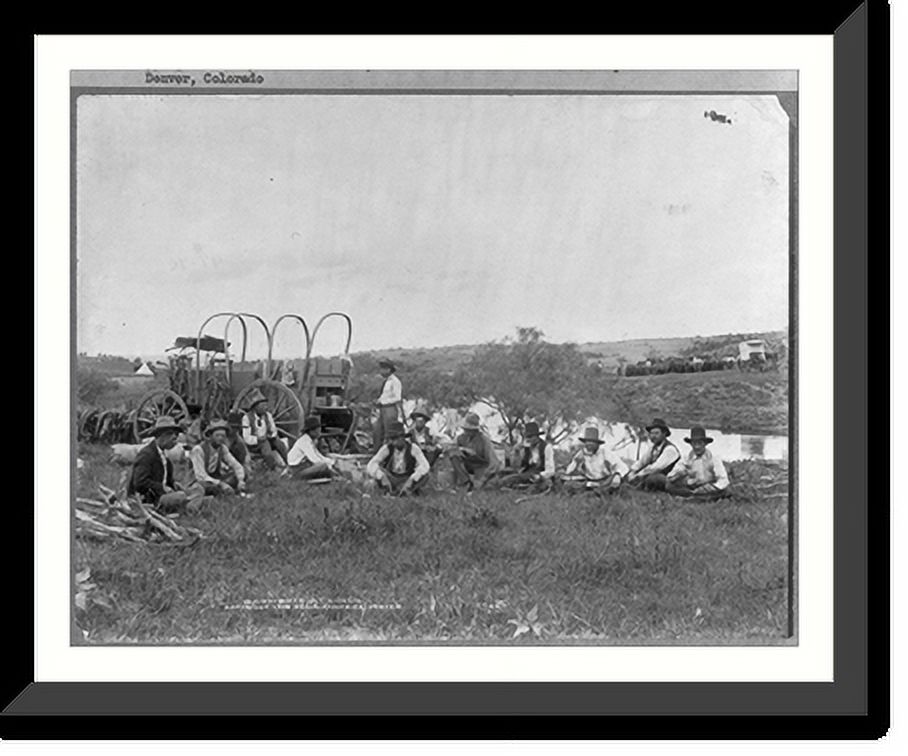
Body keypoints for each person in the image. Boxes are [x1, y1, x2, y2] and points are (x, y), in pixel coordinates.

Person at [126, 416, 189, 512]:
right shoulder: (146, 455)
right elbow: (140, 483)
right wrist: (162, 488)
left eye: (176, 434)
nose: (174, 437)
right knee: (181, 497)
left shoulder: (165, 459)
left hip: (162, 495)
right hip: (149, 500)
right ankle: (188, 506)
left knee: (197, 489)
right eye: (169, 434)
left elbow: (166, 481)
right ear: (159, 436)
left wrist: (174, 485)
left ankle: (187, 504)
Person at [186, 419, 247, 506]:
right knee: (211, 487)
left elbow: (235, 464)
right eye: (217, 435)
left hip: (214, 478)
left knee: (239, 476)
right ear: (210, 436)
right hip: (198, 482)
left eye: (223, 436)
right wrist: (221, 484)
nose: (220, 438)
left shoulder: (222, 448)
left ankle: (232, 491)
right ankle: (209, 498)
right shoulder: (198, 450)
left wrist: (241, 480)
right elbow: (200, 476)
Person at [365, 420, 430, 496]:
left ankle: (407, 491)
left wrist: (412, 479)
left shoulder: (413, 448)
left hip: (407, 477)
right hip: (391, 478)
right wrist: (381, 476)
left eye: (395, 438)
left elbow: (425, 466)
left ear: (402, 437)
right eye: (392, 439)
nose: (393, 442)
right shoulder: (387, 448)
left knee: (426, 475)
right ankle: (388, 490)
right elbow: (372, 464)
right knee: (371, 479)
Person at [666, 426, 730, 499]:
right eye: (694, 443)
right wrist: (681, 475)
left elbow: (724, 480)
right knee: (669, 486)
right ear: (691, 444)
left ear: (705, 444)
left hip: (709, 488)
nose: (697, 447)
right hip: (691, 487)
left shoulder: (713, 458)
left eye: (700, 443)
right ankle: (693, 496)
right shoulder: (686, 458)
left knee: (723, 490)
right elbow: (671, 476)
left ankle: (692, 498)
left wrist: (710, 487)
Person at [562, 426, 628, 494]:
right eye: (587, 442)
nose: (589, 444)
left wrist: (617, 475)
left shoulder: (605, 453)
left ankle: (599, 492)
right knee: (568, 485)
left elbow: (623, 467)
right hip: (589, 481)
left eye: (592, 442)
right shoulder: (581, 453)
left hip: (605, 480)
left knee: (612, 486)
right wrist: (571, 469)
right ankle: (592, 492)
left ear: (597, 444)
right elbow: (571, 468)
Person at [447, 412, 500, 491]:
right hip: (466, 465)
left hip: (481, 466)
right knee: (453, 454)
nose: (466, 432)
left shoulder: (484, 440)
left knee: (483, 487)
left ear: (475, 430)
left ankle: (477, 482)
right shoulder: (460, 438)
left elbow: (494, 463)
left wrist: (483, 479)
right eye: (465, 429)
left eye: (469, 430)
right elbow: (450, 448)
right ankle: (465, 482)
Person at [495, 422, 555, 490]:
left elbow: (551, 470)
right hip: (526, 473)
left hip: (538, 475)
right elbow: (517, 466)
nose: (528, 439)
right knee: (502, 475)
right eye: (527, 437)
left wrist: (539, 476)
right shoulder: (526, 448)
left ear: (536, 436)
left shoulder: (547, 447)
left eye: (530, 436)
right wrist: (516, 453)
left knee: (506, 481)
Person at [627, 417, 682, 491]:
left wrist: (638, 475)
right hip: (654, 475)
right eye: (651, 433)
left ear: (664, 434)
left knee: (654, 478)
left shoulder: (670, 450)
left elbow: (656, 467)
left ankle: (640, 487)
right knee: (630, 476)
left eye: (656, 433)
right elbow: (642, 462)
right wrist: (632, 471)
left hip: (670, 480)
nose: (653, 436)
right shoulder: (653, 448)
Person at [241, 388, 288, 470]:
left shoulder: (268, 415)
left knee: (280, 444)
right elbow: (246, 438)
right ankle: (273, 467)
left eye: (265, 405)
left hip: (268, 439)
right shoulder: (247, 418)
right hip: (255, 444)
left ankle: (289, 463)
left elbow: (274, 429)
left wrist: (272, 435)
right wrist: (258, 439)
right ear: (255, 407)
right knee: (265, 445)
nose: (265, 407)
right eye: (262, 406)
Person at [286, 416, 338, 481]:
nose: (319, 433)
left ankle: (336, 476)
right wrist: (329, 465)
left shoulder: (310, 441)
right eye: (317, 431)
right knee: (323, 466)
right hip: (296, 471)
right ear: (311, 431)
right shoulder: (304, 441)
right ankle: (336, 477)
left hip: (303, 468)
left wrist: (332, 462)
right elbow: (314, 460)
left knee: (326, 465)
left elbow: (318, 455)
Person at [372, 358, 403, 453]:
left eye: (383, 369)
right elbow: (384, 395)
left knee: (389, 432)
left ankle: (389, 453)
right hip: (383, 409)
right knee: (378, 431)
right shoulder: (386, 381)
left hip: (390, 409)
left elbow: (397, 398)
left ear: (389, 369)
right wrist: (379, 401)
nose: (381, 371)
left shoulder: (395, 381)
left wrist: (384, 402)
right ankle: (378, 452)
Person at [408, 403, 441, 467]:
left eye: (422, 420)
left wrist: (431, 446)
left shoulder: (429, 431)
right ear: (415, 421)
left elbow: (435, 442)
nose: (420, 422)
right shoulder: (410, 432)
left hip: (427, 455)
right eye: (418, 420)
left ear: (425, 421)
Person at [227, 410, 252, 480]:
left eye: (237, 428)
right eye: (233, 427)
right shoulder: (222, 435)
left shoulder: (236, 437)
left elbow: (245, 452)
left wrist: (247, 460)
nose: (235, 430)